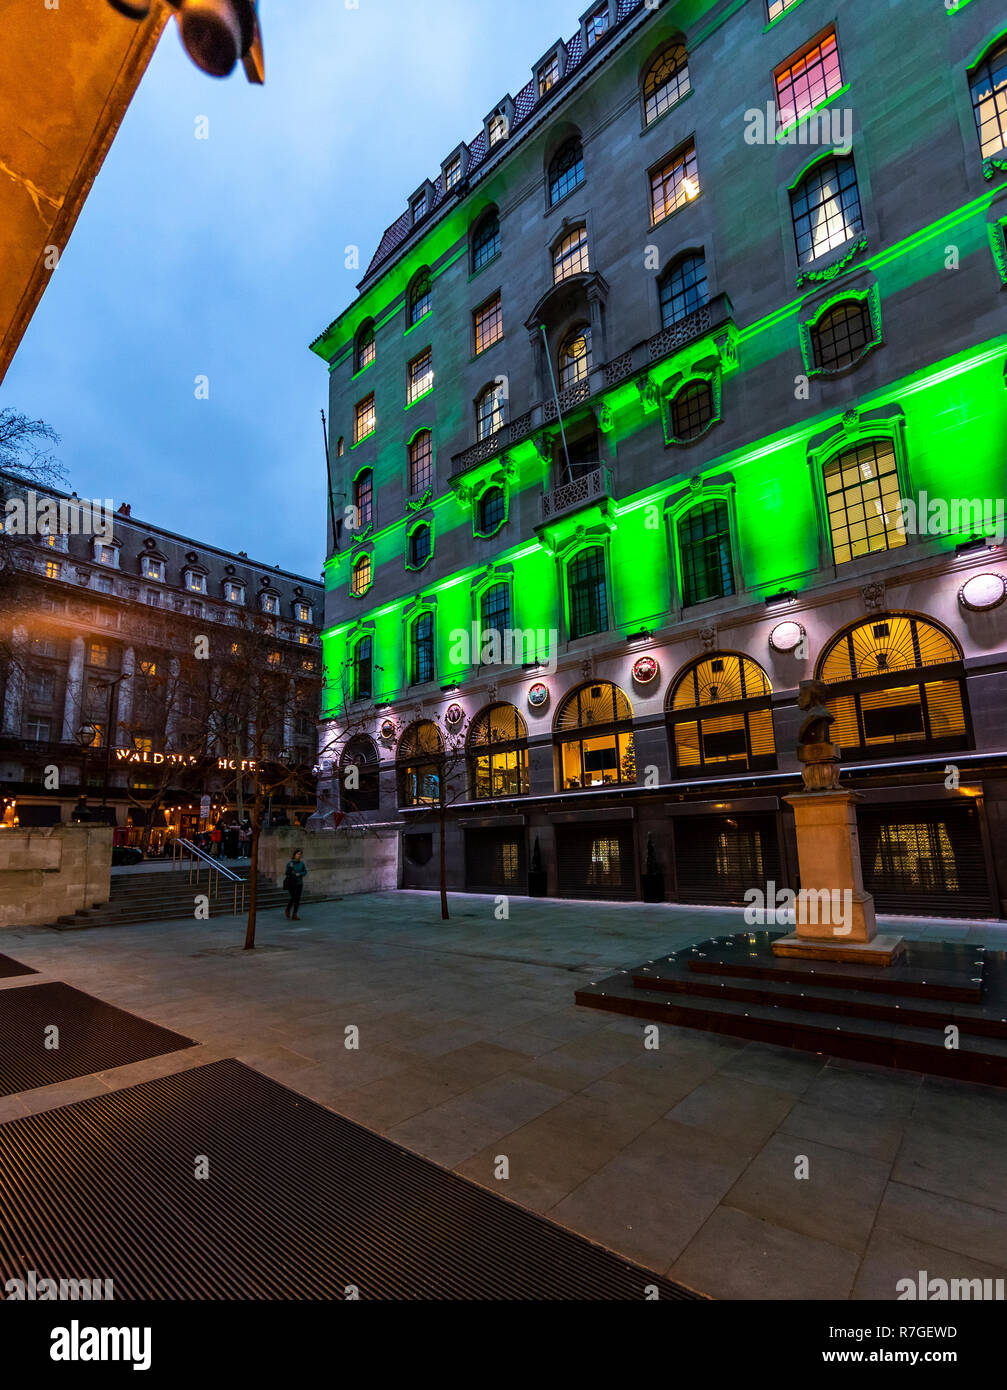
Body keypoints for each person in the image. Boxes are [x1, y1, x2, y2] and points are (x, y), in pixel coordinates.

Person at [283, 849, 307, 920]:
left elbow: (305, 872)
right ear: (294, 855)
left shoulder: (302, 863)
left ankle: (294, 914)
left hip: (299, 883)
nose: (299, 855)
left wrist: (300, 874)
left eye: (300, 854)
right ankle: (288, 909)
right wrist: (290, 868)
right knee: (293, 897)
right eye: (297, 854)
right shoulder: (290, 863)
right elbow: (287, 873)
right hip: (291, 883)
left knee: (297, 899)